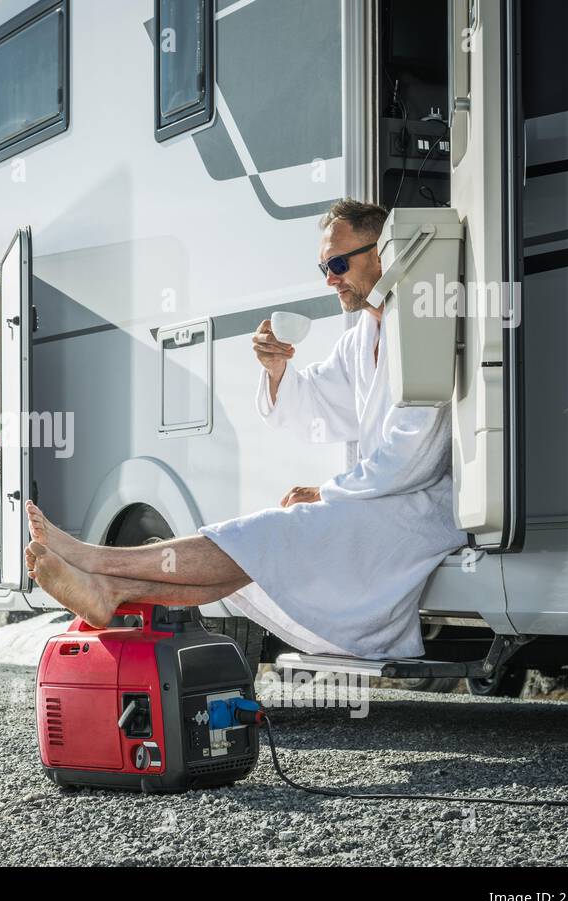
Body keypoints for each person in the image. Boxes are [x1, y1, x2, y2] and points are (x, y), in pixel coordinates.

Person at [24, 198, 468, 660]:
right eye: (323, 268)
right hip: (379, 506)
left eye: (338, 263)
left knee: (271, 535)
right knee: (261, 553)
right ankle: (110, 587)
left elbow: (414, 456)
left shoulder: (419, 328)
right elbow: (317, 406)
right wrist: (277, 370)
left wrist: (327, 492)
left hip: (422, 512)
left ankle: (98, 562)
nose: (330, 279)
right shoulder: (362, 338)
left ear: (383, 254)